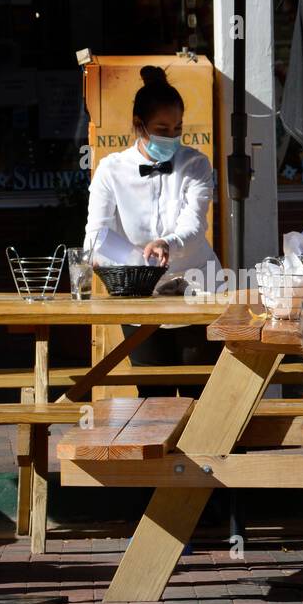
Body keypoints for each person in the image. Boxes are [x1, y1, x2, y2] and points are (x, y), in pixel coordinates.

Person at [83, 64, 221, 394]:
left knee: (198, 390)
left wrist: (166, 243)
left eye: (177, 129)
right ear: (138, 126)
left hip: (196, 285)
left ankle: (201, 448)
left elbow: (195, 223)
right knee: (152, 393)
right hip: (139, 293)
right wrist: (102, 255)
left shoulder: (196, 163)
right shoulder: (110, 170)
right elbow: (95, 232)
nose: (171, 138)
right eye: (162, 129)